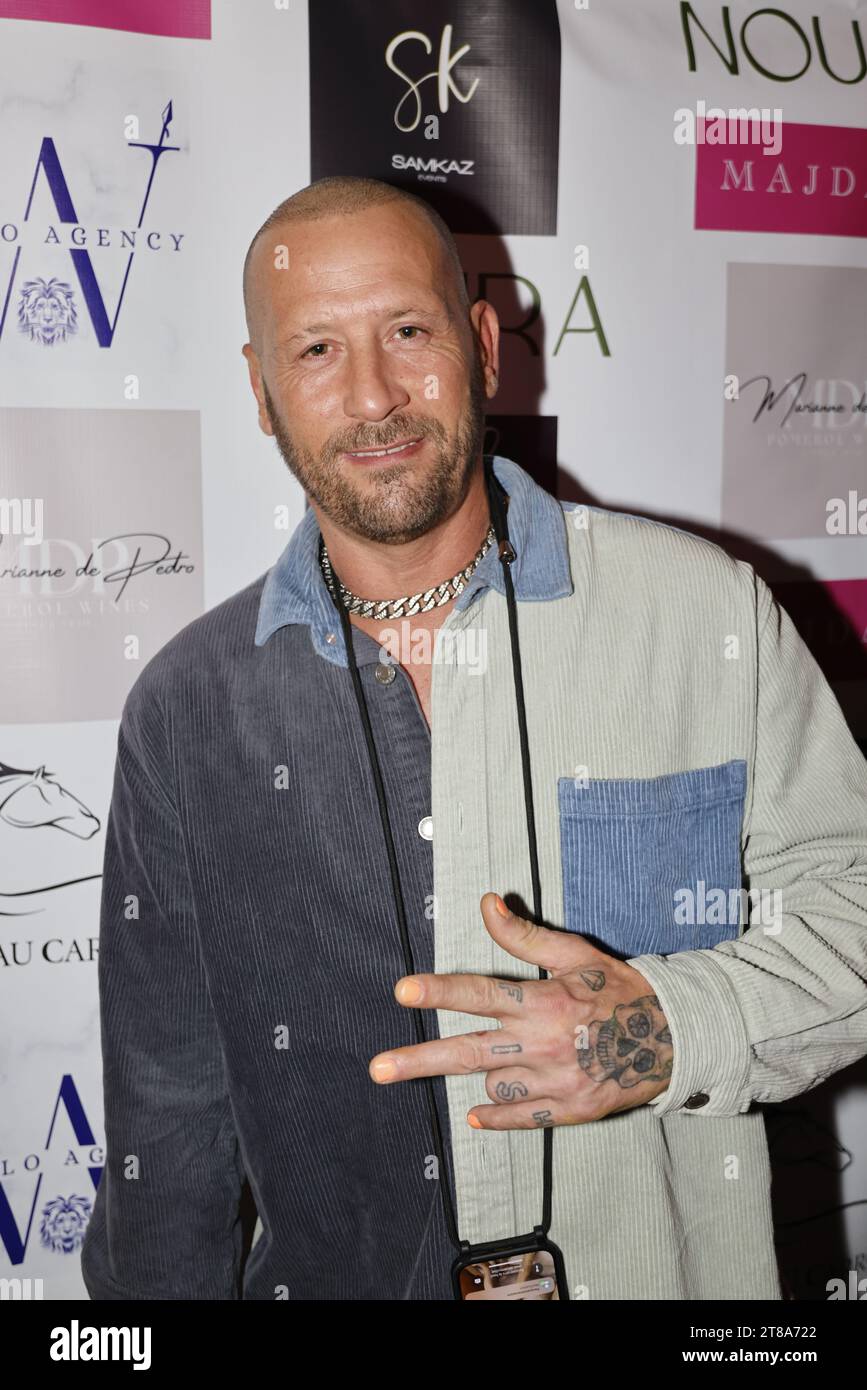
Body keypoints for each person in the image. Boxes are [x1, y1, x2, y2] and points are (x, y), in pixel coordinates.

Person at [81, 175, 867, 1301]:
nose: (373, 396)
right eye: (315, 352)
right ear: (260, 391)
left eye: (409, 330)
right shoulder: (187, 708)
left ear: (485, 345)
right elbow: (168, 1123)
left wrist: (657, 1024)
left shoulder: (704, 614)